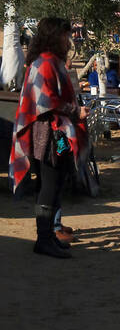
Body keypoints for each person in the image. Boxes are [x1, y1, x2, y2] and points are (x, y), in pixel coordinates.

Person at [10, 17, 88, 258]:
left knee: (56, 179)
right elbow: (46, 102)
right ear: (55, 36)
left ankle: (49, 236)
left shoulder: (50, 61)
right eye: (65, 35)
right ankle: (43, 239)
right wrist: (76, 111)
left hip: (56, 133)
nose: (68, 39)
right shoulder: (45, 63)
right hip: (50, 135)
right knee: (50, 181)